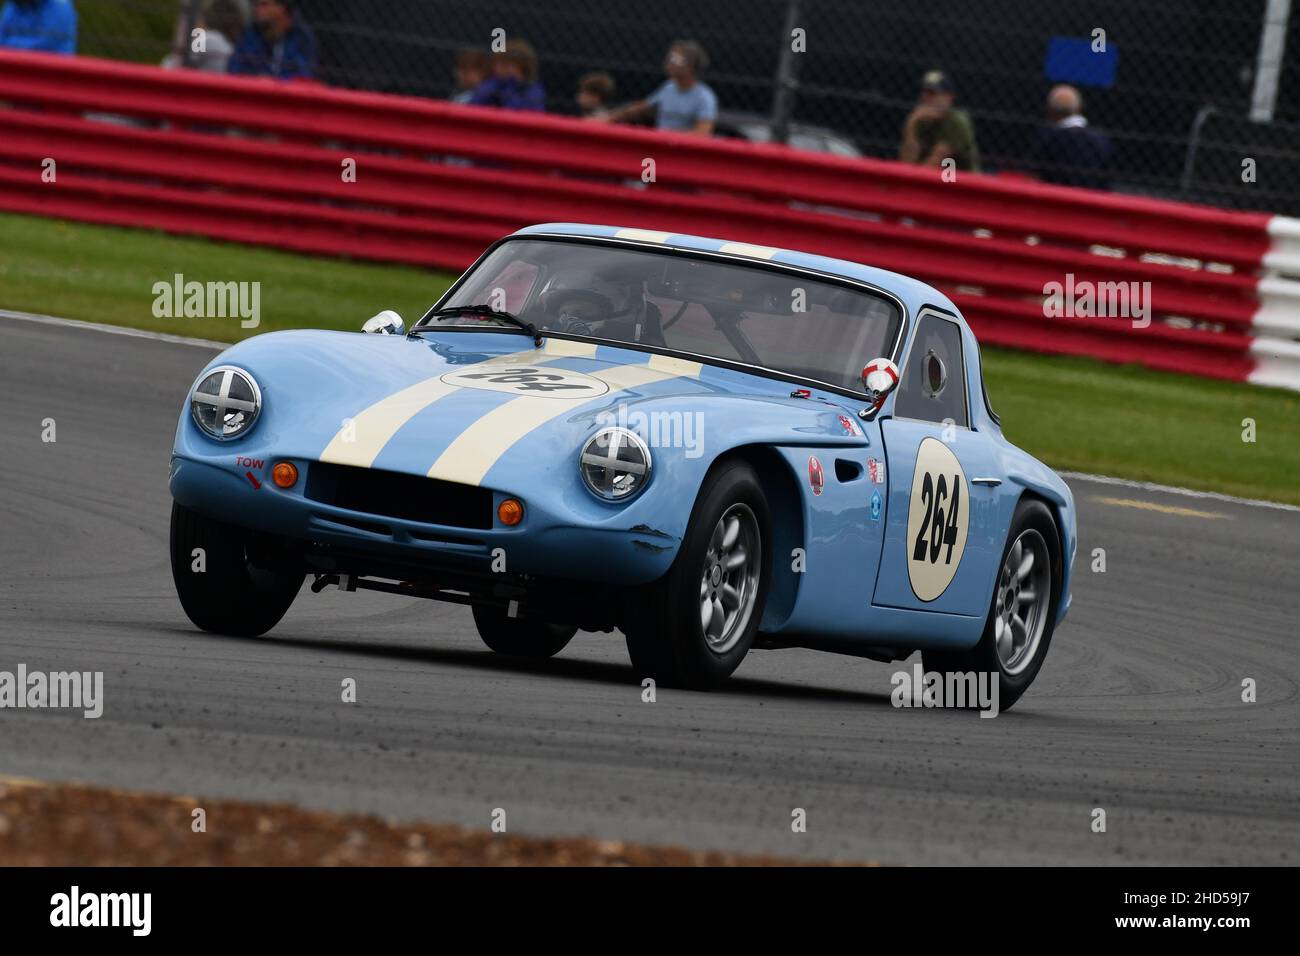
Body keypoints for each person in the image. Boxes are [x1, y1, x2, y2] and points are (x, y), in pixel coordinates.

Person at [596, 40, 717, 134]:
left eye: (675, 60)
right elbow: (639, 109)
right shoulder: (668, 88)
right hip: (660, 148)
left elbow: (702, 133)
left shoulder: (704, 97)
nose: (669, 64)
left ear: (690, 67)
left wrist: (670, 139)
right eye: (669, 58)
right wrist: (607, 118)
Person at [1025, 84, 1113, 189]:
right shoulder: (1101, 140)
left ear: (1050, 111)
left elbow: (1034, 174)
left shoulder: (1049, 138)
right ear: (1080, 108)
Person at [899, 69, 980, 172]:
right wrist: (911, 123)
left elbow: (933, 165)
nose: (925, 97)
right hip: (930, 179)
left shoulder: (957, 121)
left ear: (949, 98)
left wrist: (908, 180)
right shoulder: (919, 119)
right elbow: (905, 164)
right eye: (924, 92)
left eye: (932, 93)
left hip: (960, 182)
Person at [228, 0, 317, 79]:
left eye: (264, 5)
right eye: (256, 5)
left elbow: (303, 75)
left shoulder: (301, 36)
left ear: (281, 8)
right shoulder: (251, 33)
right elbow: (235, 67)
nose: (257, 9)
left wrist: (274, 83)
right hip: (254, 90)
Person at [468, 38, 545, 111]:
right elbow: (475, 104)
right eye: (496, 64)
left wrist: (509, 88)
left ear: (522, 66)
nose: (498, 68)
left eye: (505, 65)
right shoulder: (492, 83)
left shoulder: (533, 90)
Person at [0, 0, 76, 54]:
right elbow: (2, 39)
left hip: (51, 72)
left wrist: (11, 47)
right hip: (15, 69)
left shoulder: (61, 6)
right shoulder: (14, 5)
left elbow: (45, 46)